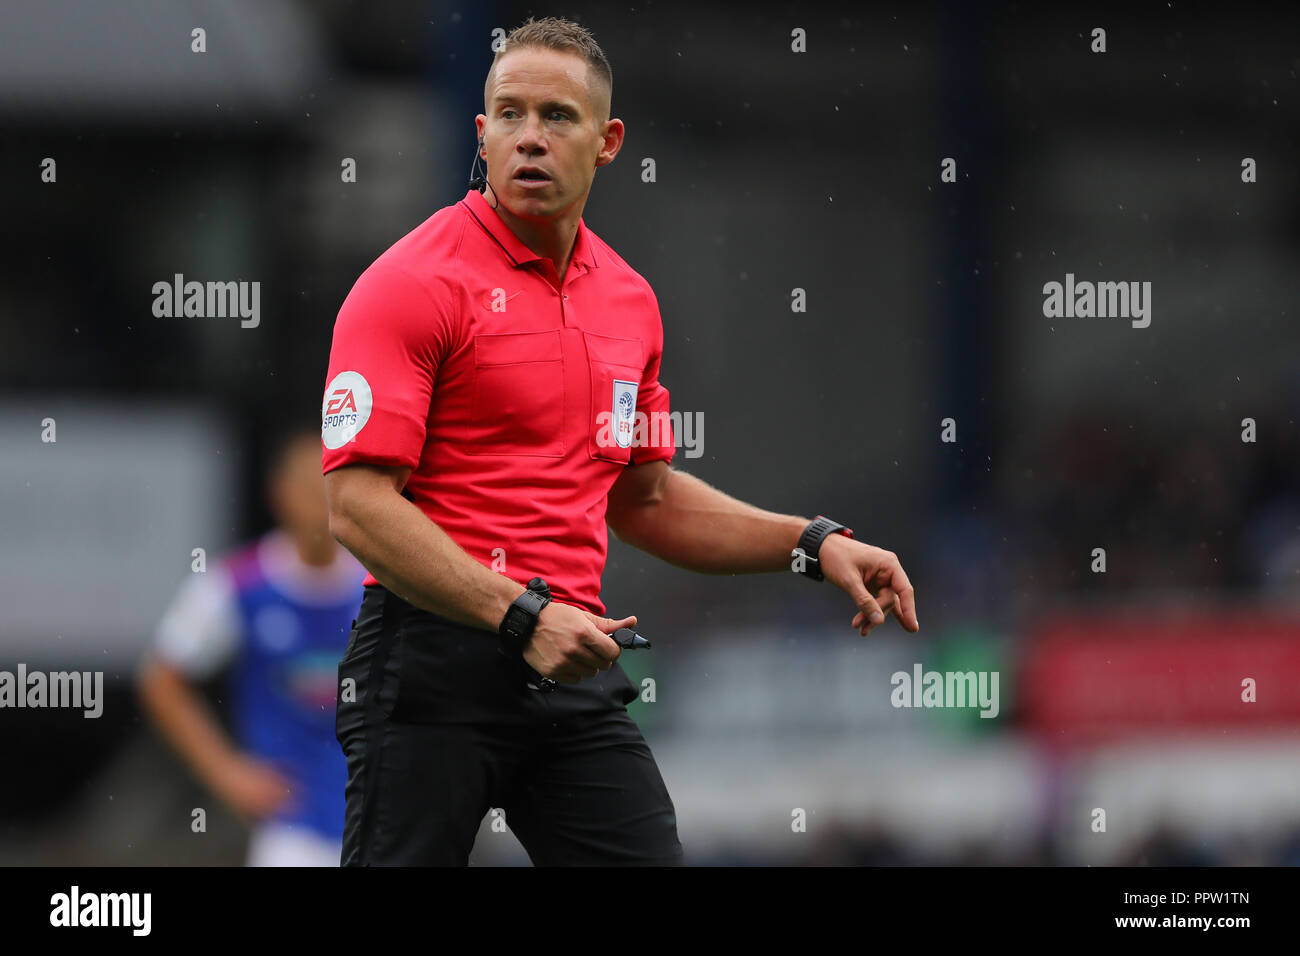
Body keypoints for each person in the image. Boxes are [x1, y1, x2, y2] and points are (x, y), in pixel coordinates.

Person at [322, 15, 919, 867]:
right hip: (429, 668)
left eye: (558, 117)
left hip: (572, 664)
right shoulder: (409, 285)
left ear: (608, 142)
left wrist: (811, 545)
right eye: (510, 114)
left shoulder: (630, 301)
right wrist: (521, 614)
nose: (531, 137)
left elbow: (648, 500)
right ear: (480, 131)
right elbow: (356, 507)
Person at [137, 426, 366, 866]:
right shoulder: (236, 585)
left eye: (329, 484)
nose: (319, 499)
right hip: (292, 832)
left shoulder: (379, 585)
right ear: (279, 494)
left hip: (379, 822)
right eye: (307, 487)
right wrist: (227, 773)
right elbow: (161, 679)